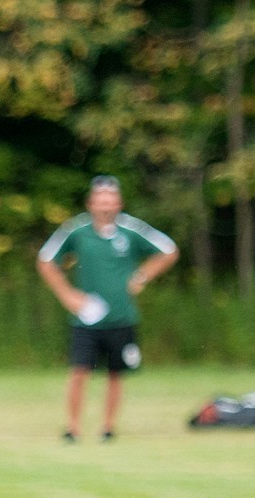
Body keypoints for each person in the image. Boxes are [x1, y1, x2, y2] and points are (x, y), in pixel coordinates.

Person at [36, 175, 178, 442]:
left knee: (116, 374)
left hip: (121, 315)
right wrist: (67, 295)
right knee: (79, 372)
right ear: (91, 203)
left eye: (111, 201)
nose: (106, 207)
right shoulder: (76, 231)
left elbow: (168, 250)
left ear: (119, 204)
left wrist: (142, 276)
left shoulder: (131, 230)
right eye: (101, 201)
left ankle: (108, 427)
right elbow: (45, 260)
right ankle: (73, 428)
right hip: (86, 318)